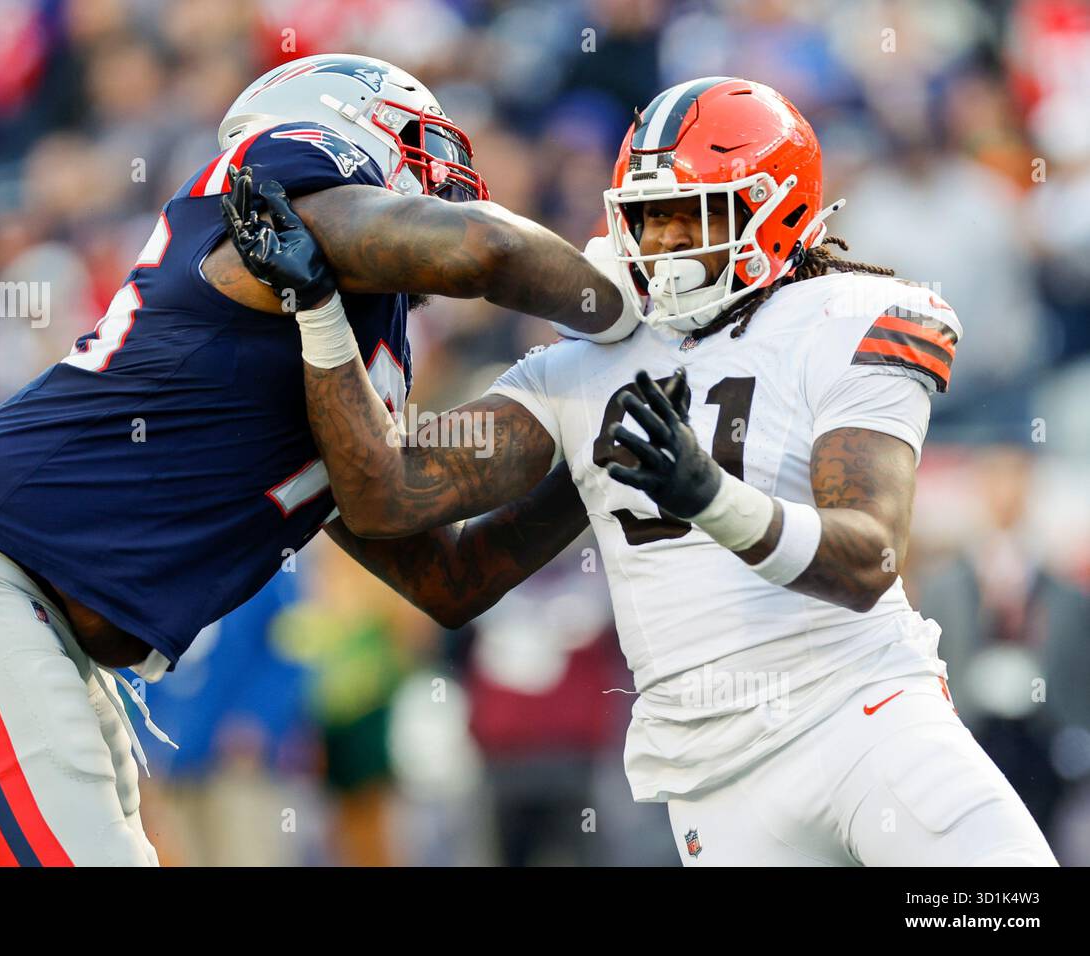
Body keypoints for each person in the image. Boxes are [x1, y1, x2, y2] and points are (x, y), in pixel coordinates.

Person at [231, 76, 1057, 866]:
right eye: (648, 217)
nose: (660, 244)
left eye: (687, 217)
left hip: (861, 719)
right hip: (714, 780)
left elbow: (868, 558)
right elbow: (397, 502)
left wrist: (710, 497)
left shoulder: (842, 317)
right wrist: (317, 327)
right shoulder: (582, 367)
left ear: (774, 212)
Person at [0, 53, 639, 866]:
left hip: (34, 613)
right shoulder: (270, 198)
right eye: (420, 147)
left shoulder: (342, 339)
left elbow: (448, 576)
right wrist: (621, 308)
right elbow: (481, 251)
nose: (449, 180)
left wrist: (601, 457)